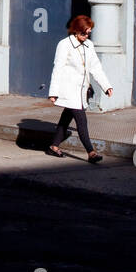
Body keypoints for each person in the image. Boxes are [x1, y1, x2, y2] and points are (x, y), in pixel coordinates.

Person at [46, 14, 113, 164]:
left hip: (81, 91)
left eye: (89, 32)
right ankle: (91, 152)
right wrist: (53, 92)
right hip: (69, 90)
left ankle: (54, 146)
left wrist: (106, 85)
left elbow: (96, 68)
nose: (86, 35)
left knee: (65, 119)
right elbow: (58, 68)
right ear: (76, 30)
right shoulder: (64, 44)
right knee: (81, 121)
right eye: (84, 32)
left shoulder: (89, 45)